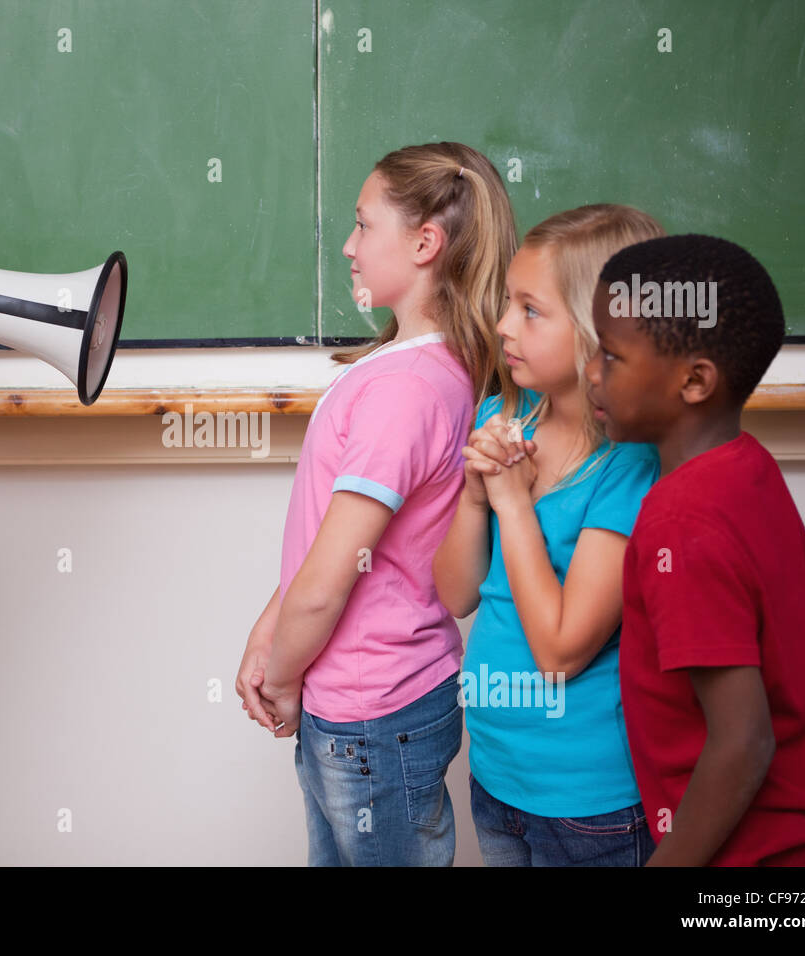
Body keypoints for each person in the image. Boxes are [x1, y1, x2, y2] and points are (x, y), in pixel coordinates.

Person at [235, 142, 517, 865]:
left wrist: (286, 672)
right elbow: (334, 543)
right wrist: (271, 635)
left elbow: (328, 584)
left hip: (369, 712)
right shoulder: (422, 368)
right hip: (367, 705)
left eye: (364, 226)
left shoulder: (403, 392)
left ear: (426, 243)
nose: (349, 246)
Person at [591, 233, 805, 866]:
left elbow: (743, 740)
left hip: (775, 854)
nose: (590, 373)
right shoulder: (746, 467)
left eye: (610, 356)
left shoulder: (680, 521)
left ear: (694, 381)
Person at [435, 204, 664, 866]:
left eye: (531, 310)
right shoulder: (502, 414)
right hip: (499, 777)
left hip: (590, 800)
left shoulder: (629, 463)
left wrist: (511, 502)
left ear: (599, 332)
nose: (503, 325)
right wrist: (476, 496)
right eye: (509, 301)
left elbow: (562, 651)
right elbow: (455, 594)